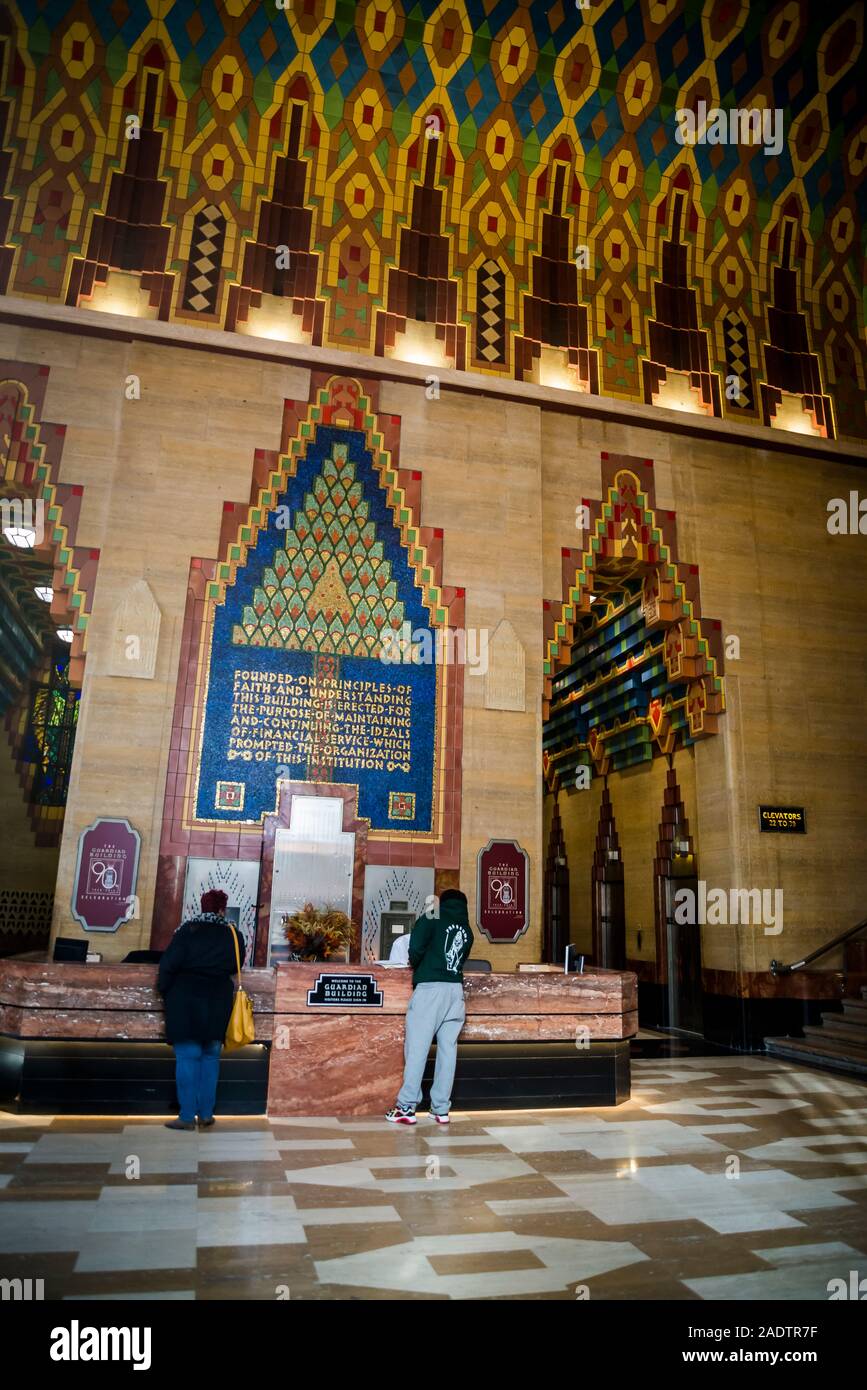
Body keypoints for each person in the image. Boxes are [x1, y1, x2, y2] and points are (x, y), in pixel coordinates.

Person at [157, 889, 245, 1131]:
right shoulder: (234, 935)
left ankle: (186, 1117)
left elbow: (167, 965)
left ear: (202, 907)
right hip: (218, 1003)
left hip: (185, 1003)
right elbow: (235, 965)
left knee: (187, 1057)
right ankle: (206, 1114)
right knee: (210, 1058)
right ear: (222, 910)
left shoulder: (187, 931)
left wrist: (166, 992)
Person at [386, 888, 474, 1126]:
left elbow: (414, 948)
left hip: (430, 990)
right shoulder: (467, 928)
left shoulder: (433, 916)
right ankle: (441, 1109)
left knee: (417, 1048)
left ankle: (406, 1107)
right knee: (448, 1051)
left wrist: (418, 962)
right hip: (455, 992)